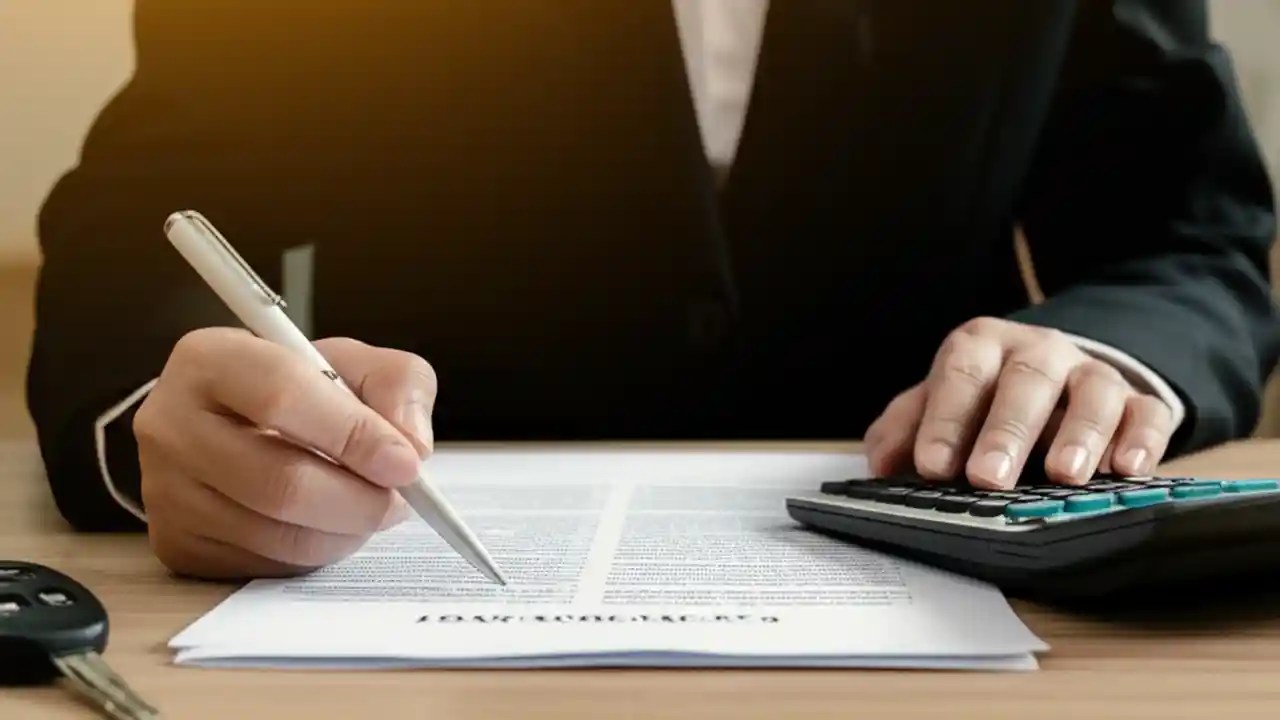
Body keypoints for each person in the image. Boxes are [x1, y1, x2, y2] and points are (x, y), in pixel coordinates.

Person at [26, 0, 1280, 579]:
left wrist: (1103, 358)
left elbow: (1187, 237)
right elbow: (143, 223)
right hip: (399, 578)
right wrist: (164, 421)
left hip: (940, 560)